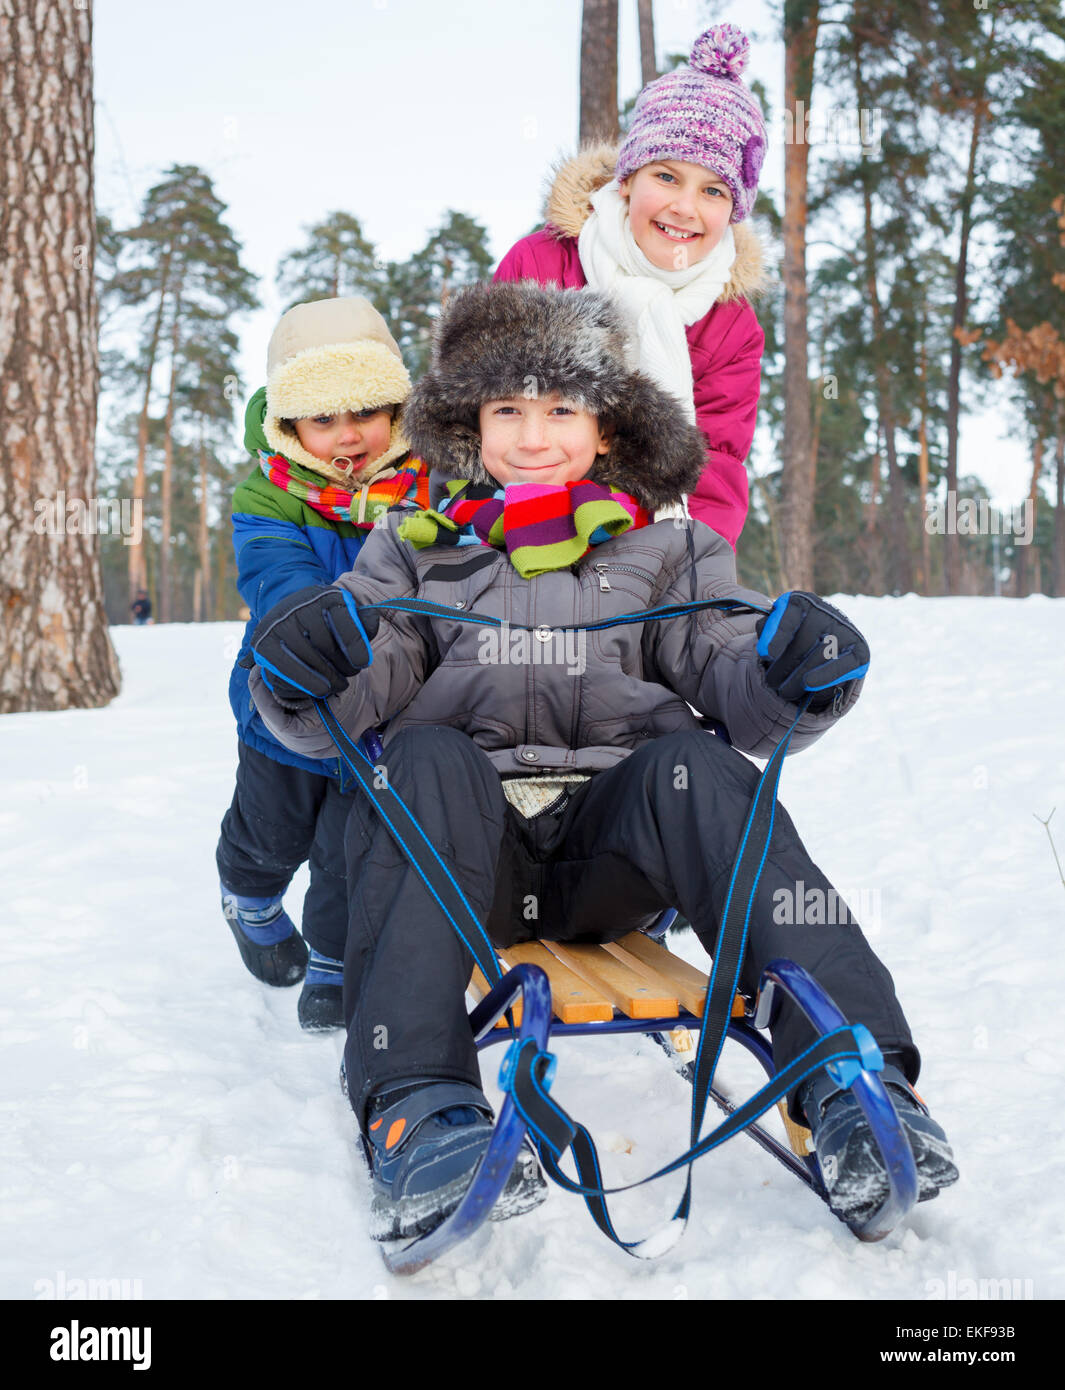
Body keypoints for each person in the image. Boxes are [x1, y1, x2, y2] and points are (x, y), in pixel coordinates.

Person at [245, 282, 958, 1242]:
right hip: (465, 861)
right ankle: (420, 1108)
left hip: (616, 855)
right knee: (417, 753)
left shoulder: (671, 553)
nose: (532, 438)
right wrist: (308, 674)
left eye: (560, 410)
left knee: (698, 767)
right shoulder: (414, 554)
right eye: (507, 411)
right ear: (468, 427)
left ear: (608, 426)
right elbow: (360, 692)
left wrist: (794, 676)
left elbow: (730, 680)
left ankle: (848, 1080)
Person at [217, 296, 430, 1031]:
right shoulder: (268, 495)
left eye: (366, 411)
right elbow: (275, 576)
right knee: (272, 830)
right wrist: (310, 617)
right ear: (290, 425)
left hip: (387, 699)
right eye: (324, 418)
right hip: (290, 693)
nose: (349, 436)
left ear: (398, 410)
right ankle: (249, 895)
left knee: (355, 839)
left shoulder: (433, 487)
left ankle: (336, 958)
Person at [495, 22, 767, 551]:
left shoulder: (731, 325)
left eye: (713, 190)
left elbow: (716, 466)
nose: (684, 208)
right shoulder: (544, 263)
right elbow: (483, 407)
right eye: (666, 177)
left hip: (652, 546)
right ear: (626, 180)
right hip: (521, 520)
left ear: (732, 213)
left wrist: (674, 559)